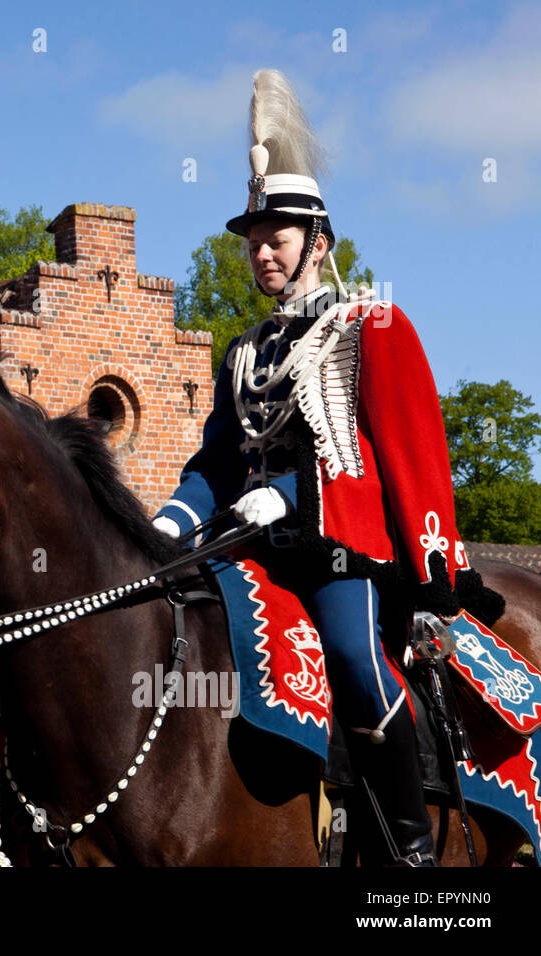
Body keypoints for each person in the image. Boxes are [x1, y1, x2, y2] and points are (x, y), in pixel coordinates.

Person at [151, 70, 499, 866]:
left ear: (318, 241)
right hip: (247, 548)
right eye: (252, 238)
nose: (261, 252)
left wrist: (292, 494)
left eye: (277, 237)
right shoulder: (244, 352)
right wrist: (172, 515)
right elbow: (214, 459)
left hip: (342, 553)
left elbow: (397, 452)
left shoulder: (366, 324)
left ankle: (409, 852)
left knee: (348, 651)